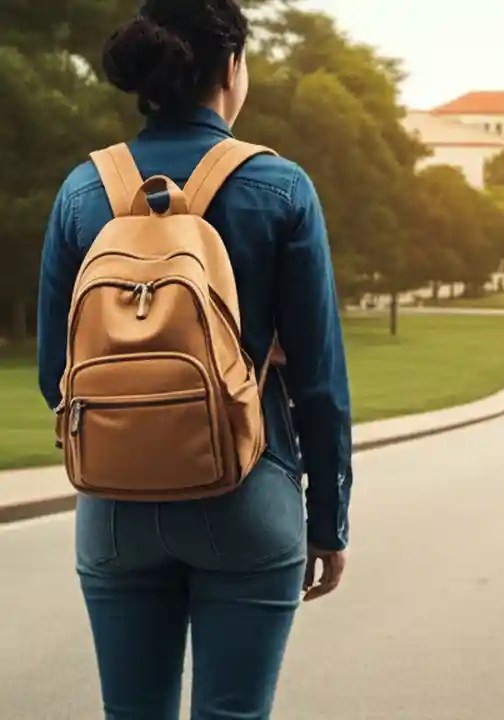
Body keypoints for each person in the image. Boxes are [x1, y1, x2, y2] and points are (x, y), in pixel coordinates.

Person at [35, 1, 353, 717]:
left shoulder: (84, 191)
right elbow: (320, 384)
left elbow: (55, 374)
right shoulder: (281, 188)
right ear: (232, 67)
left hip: (114, 506)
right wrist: (328, 522)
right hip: (246, 492)